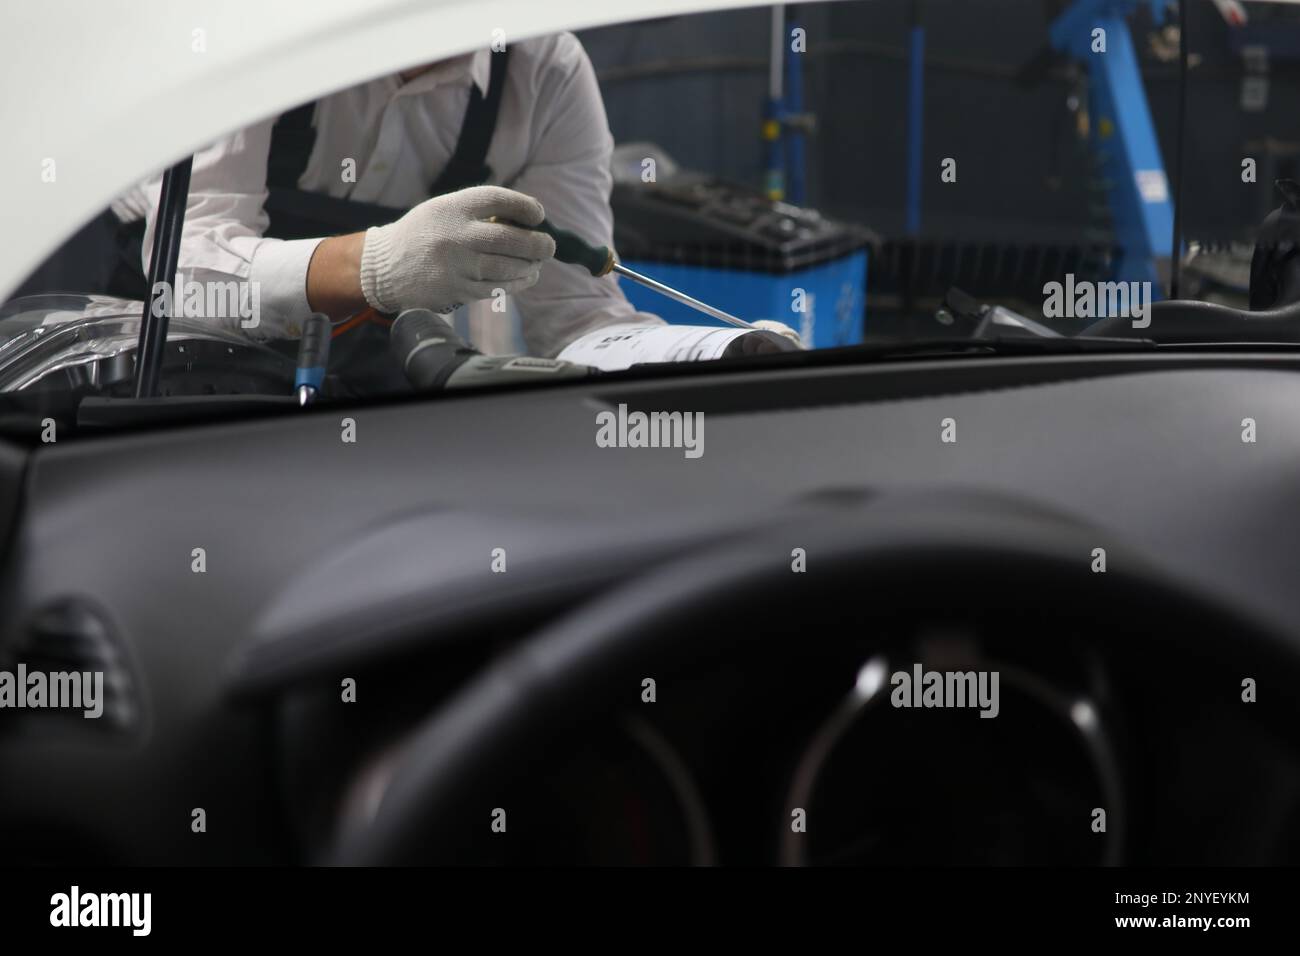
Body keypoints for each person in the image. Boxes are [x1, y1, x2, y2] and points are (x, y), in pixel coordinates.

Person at [110, 32, 799, 379]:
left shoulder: (545, 74)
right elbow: (185, 276)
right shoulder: (256, 33)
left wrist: (712, 354)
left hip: (368, 387)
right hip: (161, 371)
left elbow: (580, 319)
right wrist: (377, 265)